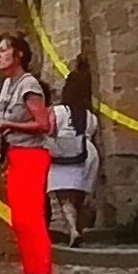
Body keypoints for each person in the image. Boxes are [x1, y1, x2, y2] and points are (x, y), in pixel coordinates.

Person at [0, 32, 57, 274]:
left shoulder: (28, 85)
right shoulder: (8, 85)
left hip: (31, 155)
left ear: (18, 54)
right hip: (15, 154)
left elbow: (43, 124)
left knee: (33, 220)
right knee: (20, 221)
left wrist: (8, 125)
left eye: (3, 50)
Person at [45, 56, 100, 247]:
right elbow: (92, 134)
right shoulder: (90, 116)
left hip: (63, 153)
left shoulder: (58, 111)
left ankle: (73, 229)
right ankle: (79, 228)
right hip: (86, 152)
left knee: (64, 197)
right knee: (79, 196)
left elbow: (49, 130)